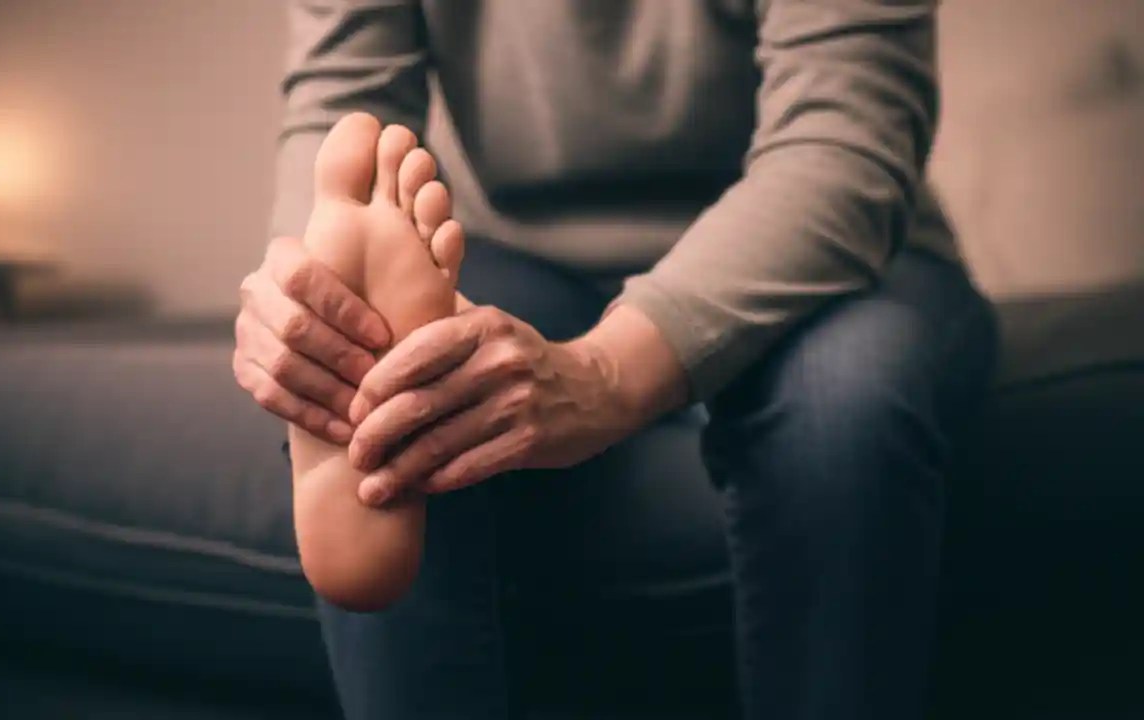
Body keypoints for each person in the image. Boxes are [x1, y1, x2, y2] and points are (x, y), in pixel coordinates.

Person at [232, 2, 998, 718]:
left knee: (845, 405)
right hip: (523, 255)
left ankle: (367, 355)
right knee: (414, 372)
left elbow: (844, 140)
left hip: (836, 261)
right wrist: (304, 299)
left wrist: (608, 375)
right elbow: (341, 101)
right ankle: (356, 328)